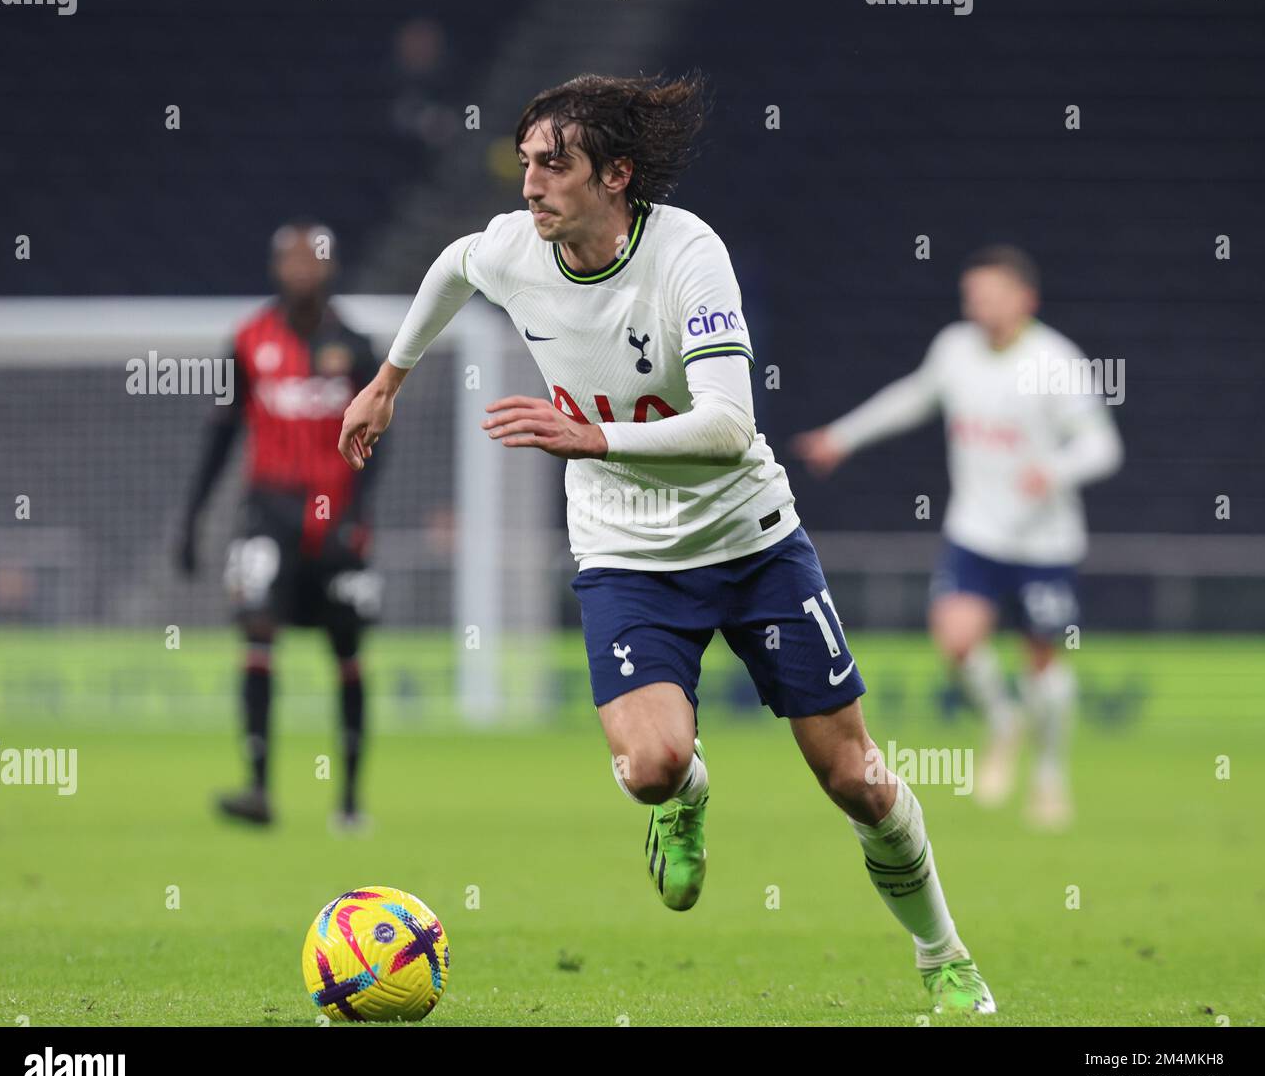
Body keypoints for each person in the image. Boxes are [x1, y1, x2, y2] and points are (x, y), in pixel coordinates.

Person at [339, 73, 994, 1012]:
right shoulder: (516, 250)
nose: (529, 186)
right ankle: (687, 796)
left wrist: (593, 437)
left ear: (616, 174)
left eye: (552, 166)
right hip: (625, 551)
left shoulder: (688, 253)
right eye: (524, 163)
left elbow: (729, 425)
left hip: (750, 538)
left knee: (853, 778)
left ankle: (943, 953)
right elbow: (452, 265)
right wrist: (390, 379)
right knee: (649, 767)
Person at [793, 245, 1124, 830]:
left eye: (992, 294)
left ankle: (1049, 775)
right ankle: (1002, 721)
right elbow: (912, 399)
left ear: (1026, 299)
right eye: (973, 294)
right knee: (956, 639)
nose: (980, 305)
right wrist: (841, 437)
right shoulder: (955, 350)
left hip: (1045, 542)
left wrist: (1054, 471)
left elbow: (1103, 446)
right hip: (976, 533)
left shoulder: (1056, 361)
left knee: (1042, 664)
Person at [177, 221, 383, 830]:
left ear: (330, 267)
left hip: (336, 517)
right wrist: (191, 517)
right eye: (290, 261)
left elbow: (379, 437)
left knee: (346, 646)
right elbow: (221, 432)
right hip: (267, 513)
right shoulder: (247, 341)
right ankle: (258, 789)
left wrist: (360, 512)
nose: (301, 270)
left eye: (311, 260)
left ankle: (347, 799)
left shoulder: (358, 345)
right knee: (257, 630)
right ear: (275, 269)